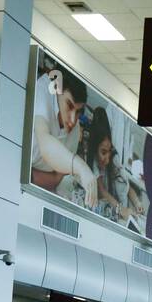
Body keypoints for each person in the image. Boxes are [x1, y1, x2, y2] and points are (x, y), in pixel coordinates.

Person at [28, 64, 97, 206]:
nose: (73, 120)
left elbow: (55, 178)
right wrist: (81, 167)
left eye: (78, 112)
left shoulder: (75, 130)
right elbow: (45, 143)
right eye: (69, 106)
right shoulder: (43, 90)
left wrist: (30, 176)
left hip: (35, 192)